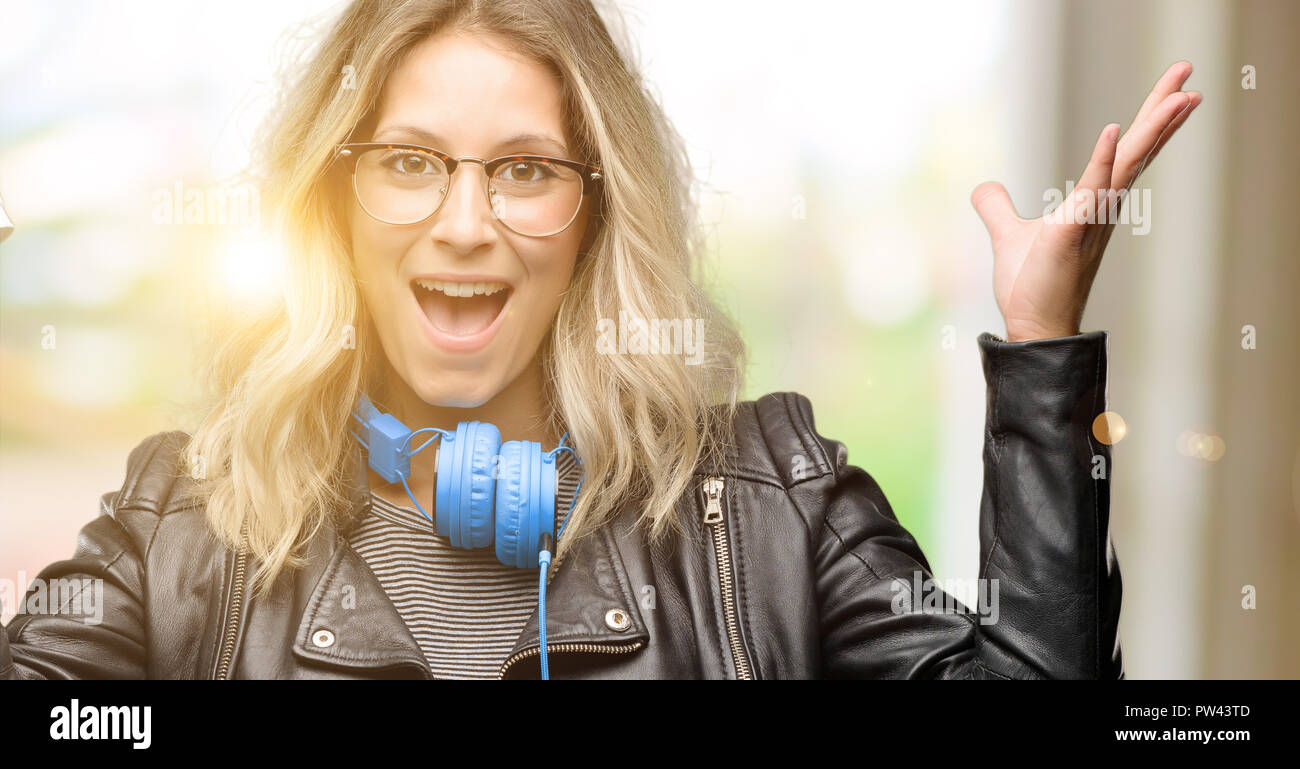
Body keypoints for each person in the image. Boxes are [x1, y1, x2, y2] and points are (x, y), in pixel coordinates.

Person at [1, 0, 1199, 679]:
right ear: (335, 202)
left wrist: (1040, 350)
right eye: (411, 164)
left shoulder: (768, 505)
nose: (463, 224)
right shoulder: (184, 522)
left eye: (523, 171)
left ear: (593, 216)